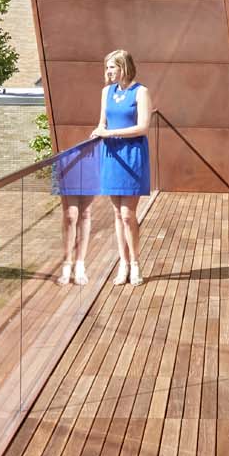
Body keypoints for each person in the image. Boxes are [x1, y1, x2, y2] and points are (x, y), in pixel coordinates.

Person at [90, 49, 151, 284]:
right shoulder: (106, 92)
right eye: (107, 67)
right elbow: (102, 123)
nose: (108, 72)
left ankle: (135, 264)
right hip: (111, 155)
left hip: (132, 154)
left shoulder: (141, 92)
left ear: (124, 67)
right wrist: (98, 131)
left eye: (112, 67)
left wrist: (111, 133)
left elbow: (143, 127)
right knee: (117, 213)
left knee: (127, 214)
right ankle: (123, 264)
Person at [52, 135, 99, 285]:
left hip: (91, 155)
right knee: (70, 215)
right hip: (66, 154)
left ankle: (80, 264)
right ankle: (67, 263)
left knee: (85, 213)